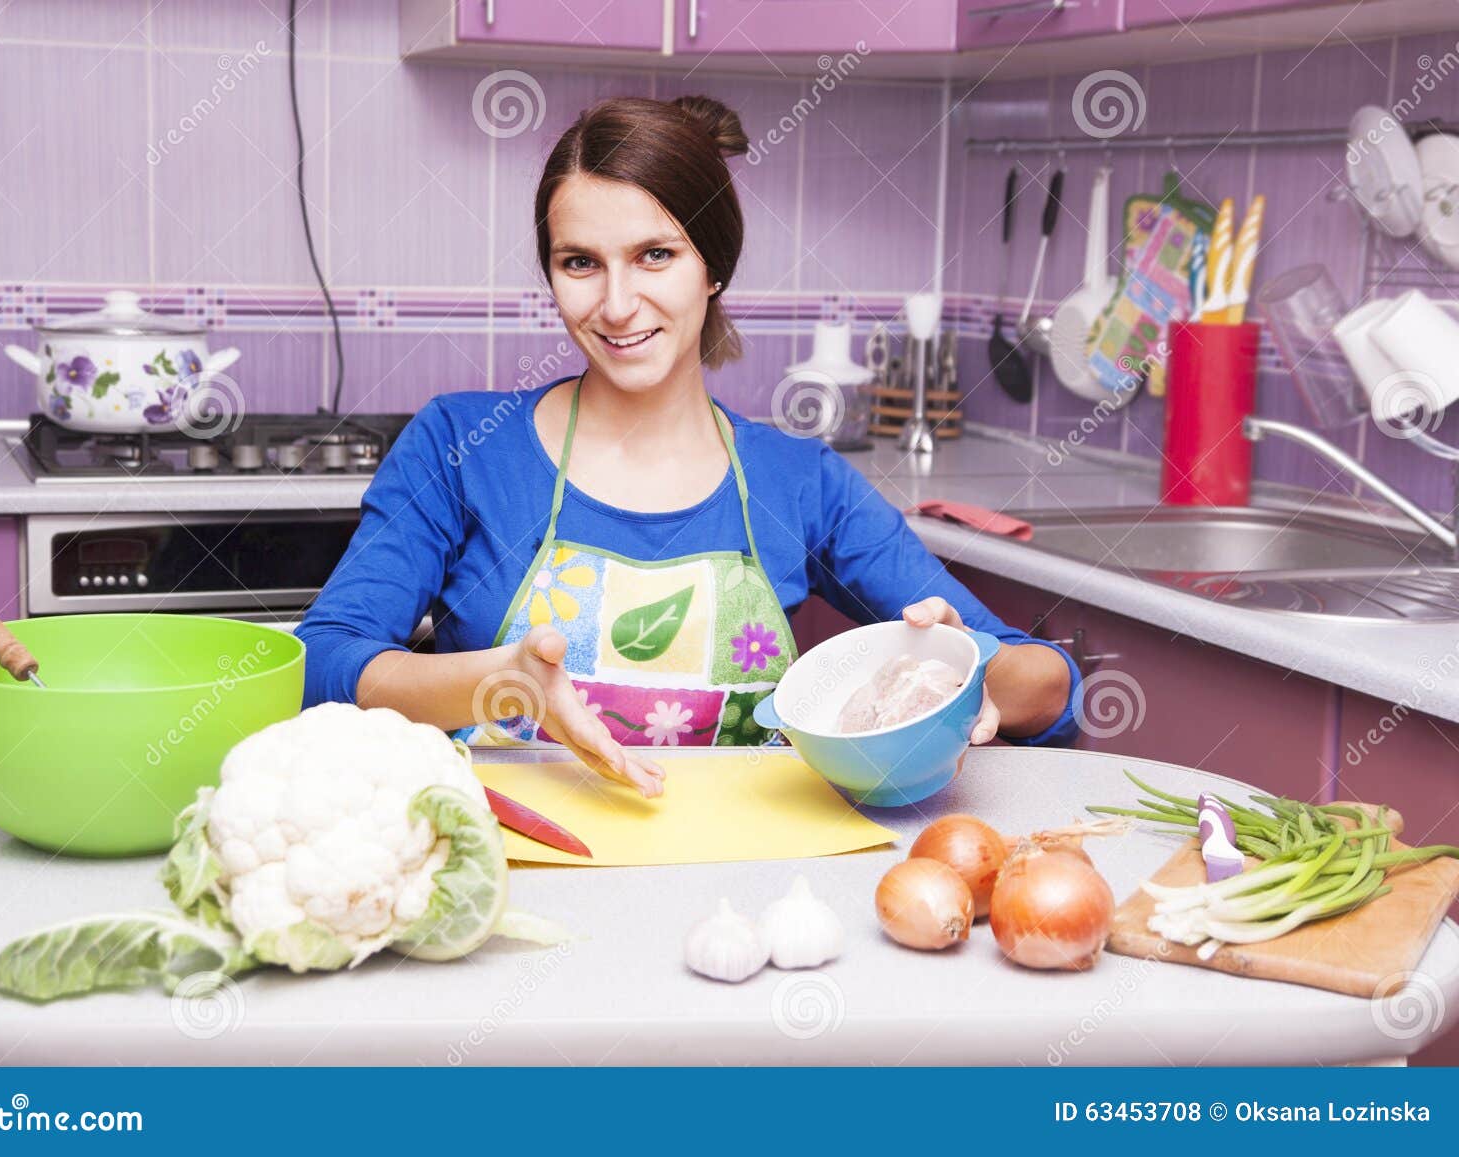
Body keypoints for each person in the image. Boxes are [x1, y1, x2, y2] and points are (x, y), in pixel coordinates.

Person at [298, 95, 1080, 799]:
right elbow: (322, 663)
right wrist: (494, 683)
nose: (615, 304)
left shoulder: (797, 481)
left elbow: (1049, 685)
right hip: (523, 873)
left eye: (655, 255)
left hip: (741, 897)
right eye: (580, 263)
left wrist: (956, 668)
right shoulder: (462, 446)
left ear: (714, 267)